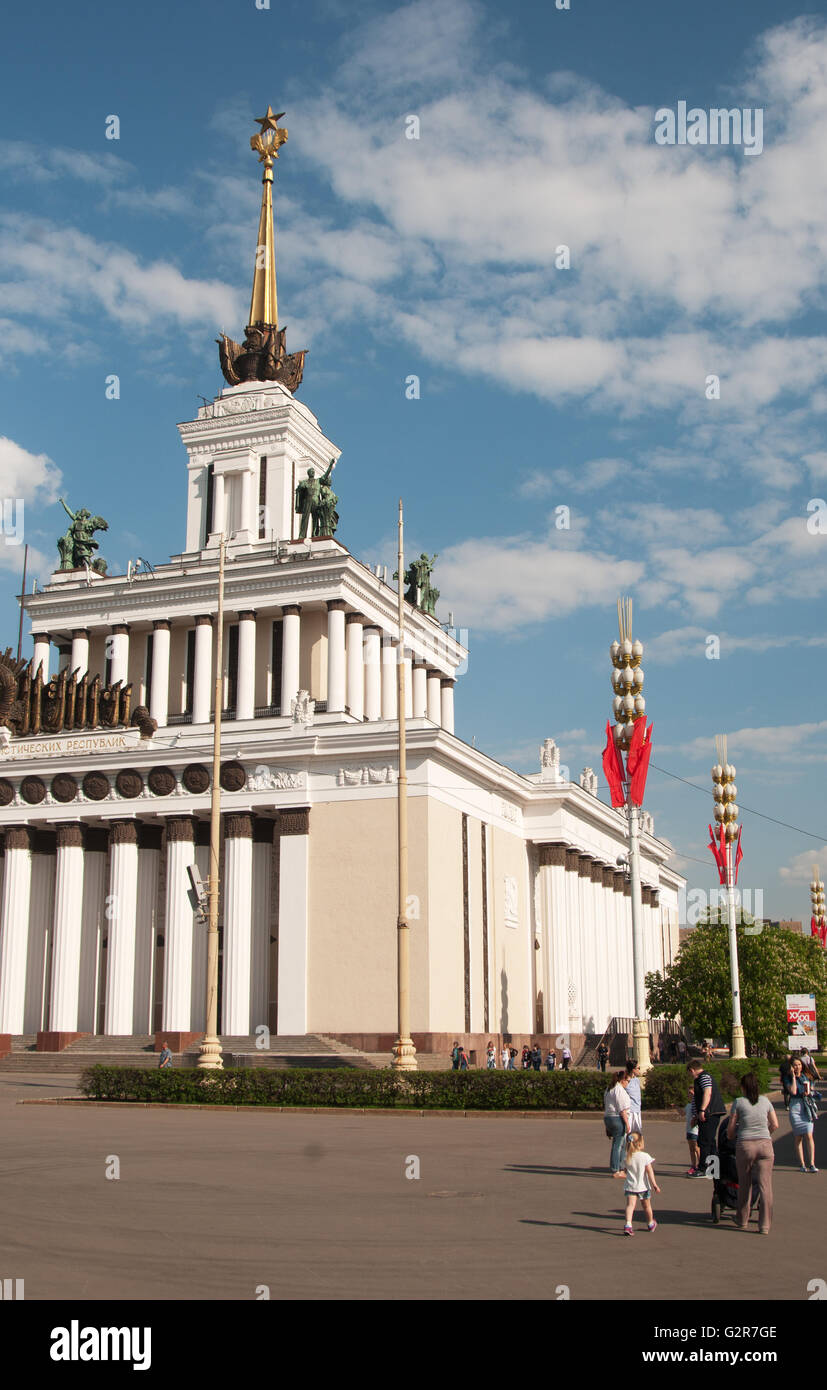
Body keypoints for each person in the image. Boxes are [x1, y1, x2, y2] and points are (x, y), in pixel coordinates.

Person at [726, 1070, 779, 1233]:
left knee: (745, 1183)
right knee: (765, 1186)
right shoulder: (765, 1101)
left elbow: (731, 1127)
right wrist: (765, 1135)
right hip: (765, 1145)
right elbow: (775, 1124)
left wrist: (731, 1136)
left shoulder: (739, 1102)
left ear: (743, 1087)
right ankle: (764, 1225)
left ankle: (742, 1219)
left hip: (745, 1144)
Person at [688, 1060, 726, 1174]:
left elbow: (707, 1093)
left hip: (710, 1113)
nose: (690, 1076)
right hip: (707, 1113)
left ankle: (703, 1168)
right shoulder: (699, 1079)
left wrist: (702, 1110)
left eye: (689, 1073)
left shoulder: (704, 1077)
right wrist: (695, 1114)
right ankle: (715, 1167)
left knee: (704, 1141)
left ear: (692, 1070)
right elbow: (696, 1098)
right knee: (710, 1140)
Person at [622, 1131, 660, 1234]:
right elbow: (650, 1171)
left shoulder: (627, 1157)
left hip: (630, 1186)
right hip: (643, 1186)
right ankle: (650, 1223)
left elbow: (625, 1171)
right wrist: (655, 1184)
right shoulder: (645, 1156)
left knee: (630, 1205)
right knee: (647, 1206)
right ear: (639, 1143)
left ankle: (628, 1224)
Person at [785, 1059, 818, 1172]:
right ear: (791, 1067)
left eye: (799, 1065)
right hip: (795, 1107)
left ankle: (812, 1163)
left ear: (802, 1066)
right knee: (798, 1136)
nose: (797, 1067)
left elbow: (812, 1090)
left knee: (809, 1135)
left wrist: (809, 1091)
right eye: (795, 1065)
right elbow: (793, 1092)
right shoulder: (788, 1079)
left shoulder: (807, 1077)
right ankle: (802, 1164)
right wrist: (793, 1077)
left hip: (806, 1106)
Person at [603, 1070, 632, 1177]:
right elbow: (622, 1109)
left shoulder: (609, 1088)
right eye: (628, 1081)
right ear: (622, 1080)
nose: (628, 1083)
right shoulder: (619, 1090)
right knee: (618, 1145)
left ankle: (620, 1168)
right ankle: (616, 1170)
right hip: (617, 1118)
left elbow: (606, 1105)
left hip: (609, 1117)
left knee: (621, 1144)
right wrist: (627, 1124)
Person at [685, 1085, 700, 1174]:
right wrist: (675, 1107)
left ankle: (701, 1165)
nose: (689, 1095)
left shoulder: (698, 1105)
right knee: (691, 1149)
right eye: (688, 1093)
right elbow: (682, 1113)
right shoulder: (688, 1105)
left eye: (691, 1093)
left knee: (697, 1148)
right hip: (689, 1130)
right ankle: (693, 1166)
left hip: (695, 1130)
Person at [625, 1059, 643, 1135]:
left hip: (637, 1110)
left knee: (638, 1135)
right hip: (629, 1112)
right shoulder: (625, 1081)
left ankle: (635, 1147)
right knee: (628, 1134)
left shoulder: (636, 1080)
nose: (639, 1070)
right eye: (638, 1068)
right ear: (633, 1070)